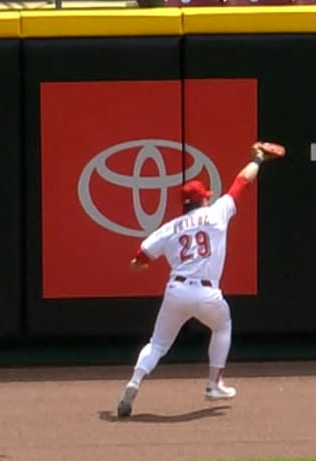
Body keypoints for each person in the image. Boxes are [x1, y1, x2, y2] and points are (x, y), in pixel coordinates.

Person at [117, 141, 286, 418]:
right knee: (223, 326)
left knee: (157, 344)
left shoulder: (170, 227)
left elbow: (140, 258)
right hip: (207, 294)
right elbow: (242, 181)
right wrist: (257, 159)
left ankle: (135, 381)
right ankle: (213, 383)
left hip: (176, 290)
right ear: (204, 199)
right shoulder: (216, 212)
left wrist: (139, 264)